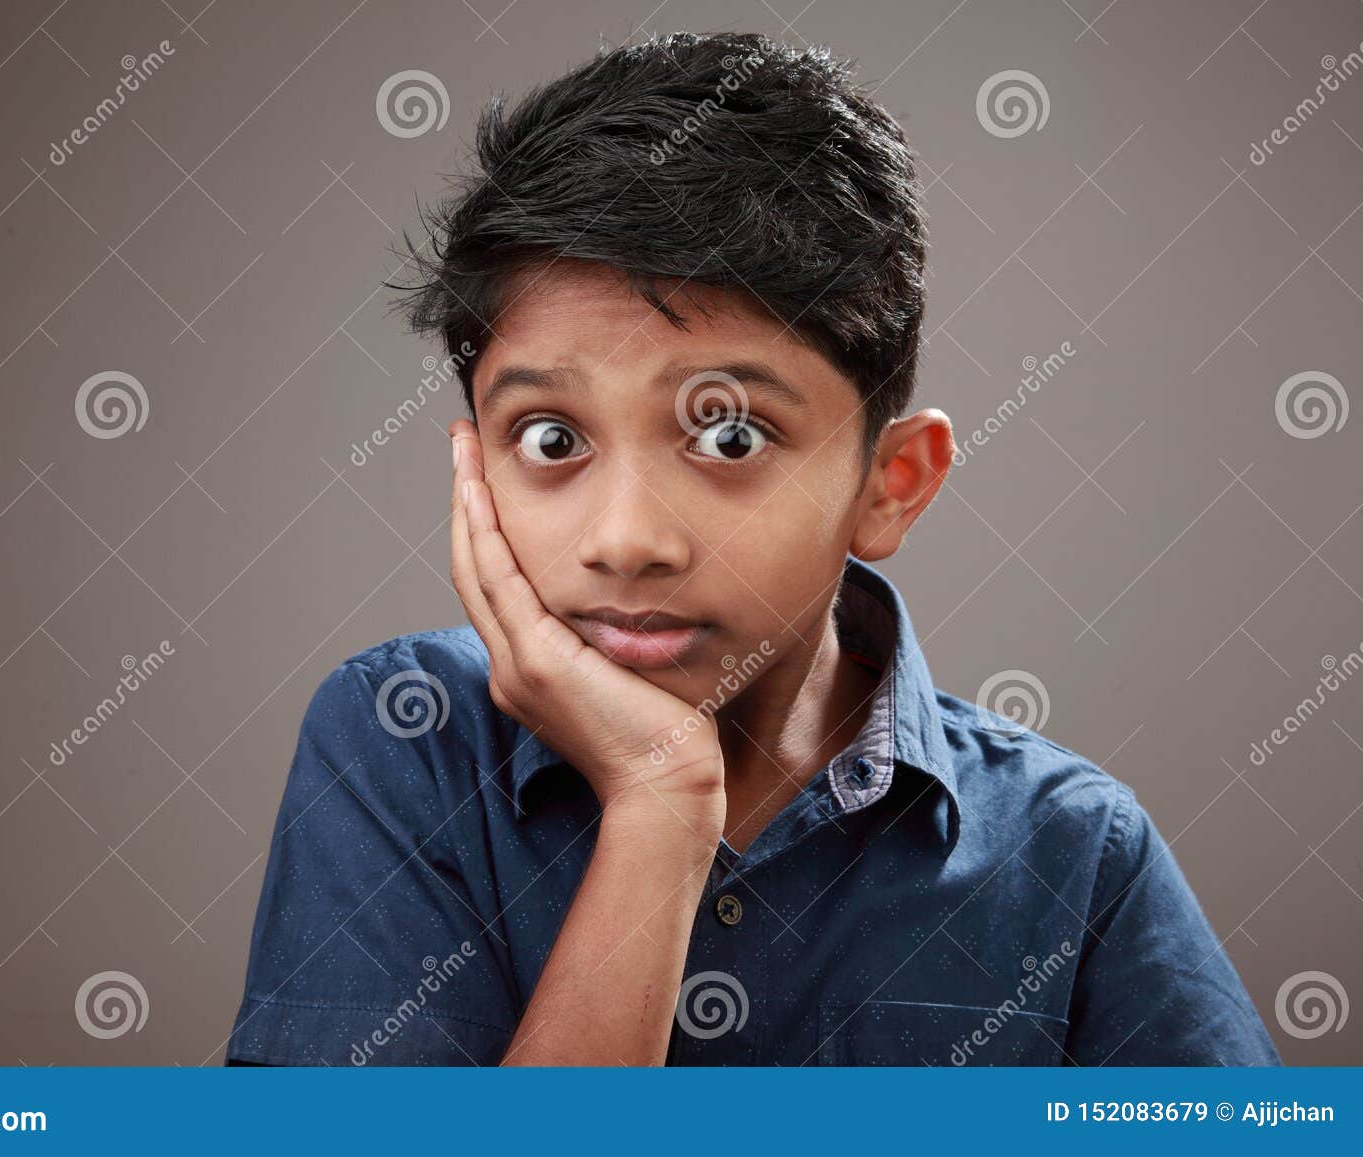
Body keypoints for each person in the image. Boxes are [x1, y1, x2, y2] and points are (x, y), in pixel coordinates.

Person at [225, 31, 1279, 1066]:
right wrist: (659, 806)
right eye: (550, 439)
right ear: (476, 467)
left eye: (729, 434)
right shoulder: (405, 739)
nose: (625, 539)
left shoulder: (1072, 851)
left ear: (889, 482)